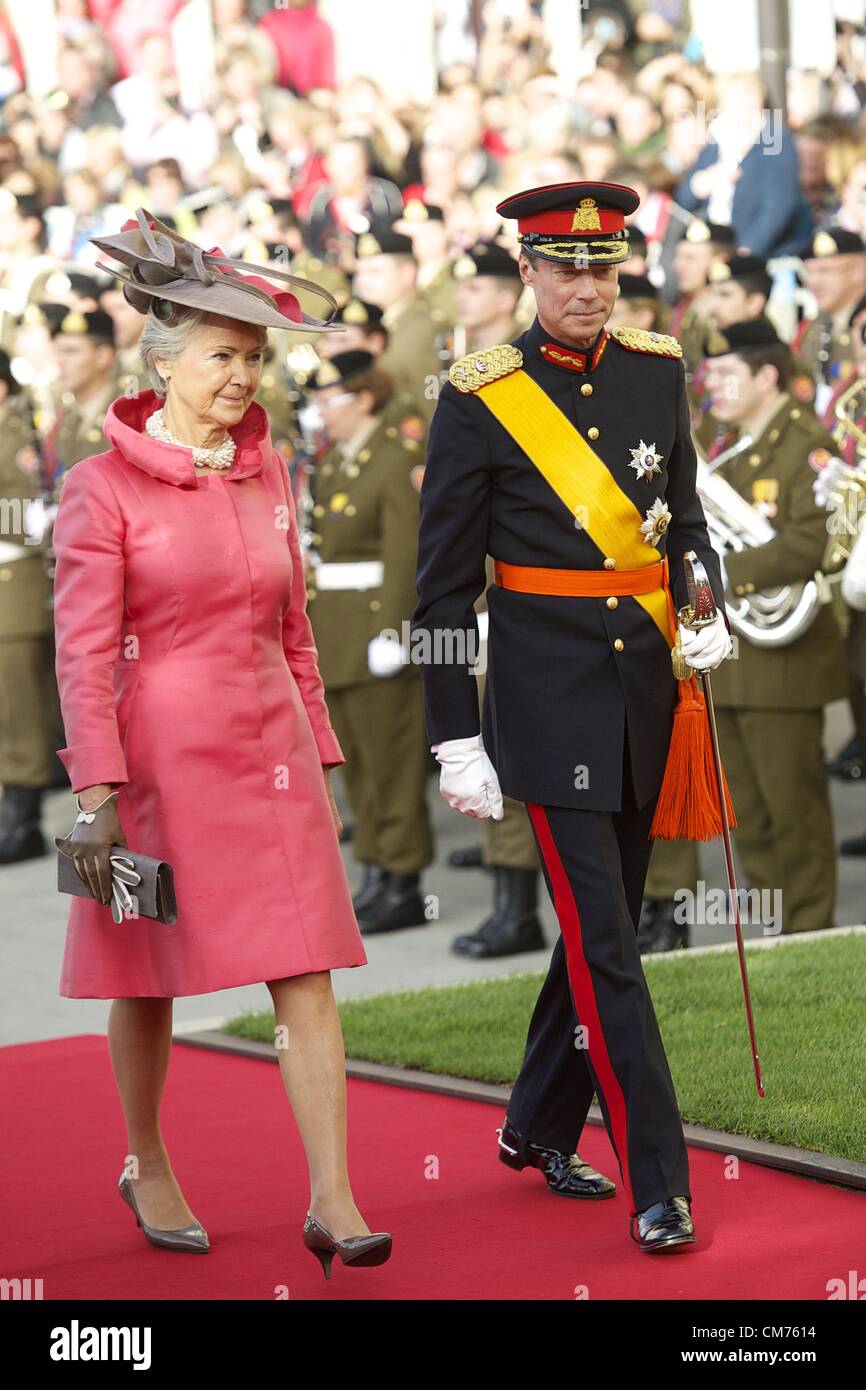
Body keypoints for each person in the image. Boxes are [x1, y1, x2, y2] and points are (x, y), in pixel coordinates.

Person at [50, 212, 391, 1277]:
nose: (243, 376)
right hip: (146, 772)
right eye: (221, 356)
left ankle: (333, 1196)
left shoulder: (269, 474)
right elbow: (81, 654)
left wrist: (324, 755)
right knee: (142, 974)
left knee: (307, 973)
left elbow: (292, 631)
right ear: (163, 366)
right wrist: (96, 794)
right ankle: (145, 1157)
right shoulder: (97, 488)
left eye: (253, 358)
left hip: (271, 758)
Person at [412, 181, 731, 1253]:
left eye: (602, 267)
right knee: (610, 945)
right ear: (527, 273)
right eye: (564, 268)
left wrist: (701, 589)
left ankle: (533, 1121)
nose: (586, 287)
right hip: (545, 712)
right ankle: (658, 1177)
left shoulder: (656, 370)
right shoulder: (476, 393)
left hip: (646, 696)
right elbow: (440, 592)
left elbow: (680, 514)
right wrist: (452, 730)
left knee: (594, 940)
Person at [702, 318, 848, 933]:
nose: (715, 389)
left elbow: (812, 543)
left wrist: (717, 571)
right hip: (737, 656)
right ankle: (773, 932)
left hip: (786, 662)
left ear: (766, 375)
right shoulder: (731, 448)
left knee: (794, 811)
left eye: (727, 375)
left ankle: (809, 932)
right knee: (750, 814)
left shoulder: (805, 446)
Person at [305, 349, 434, 933]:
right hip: (337, 632)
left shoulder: (394, 459)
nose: (319, 413)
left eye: (328, 401)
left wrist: (395, 631)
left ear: (363, 398)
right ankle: (376, 871)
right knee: (356, 763)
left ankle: (403, 879)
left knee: (392, 765)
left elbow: (405, 555)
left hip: (377, 635)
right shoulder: (338, 462)